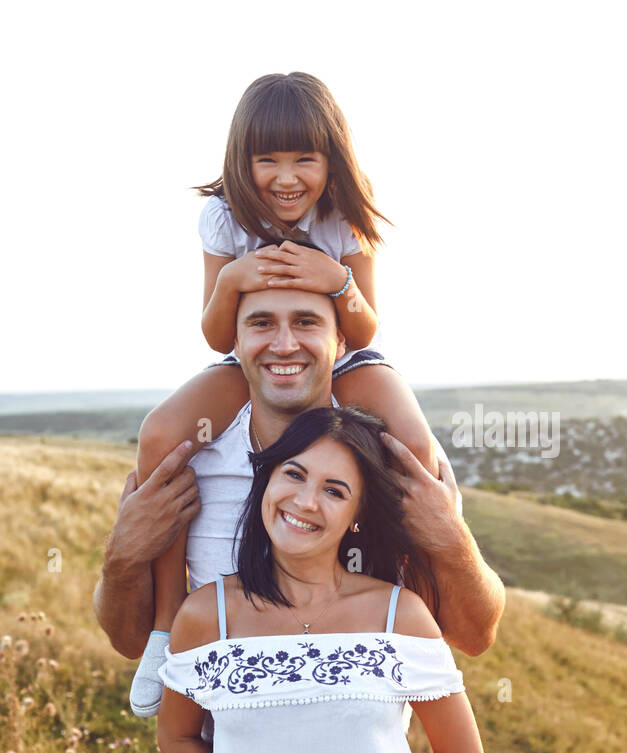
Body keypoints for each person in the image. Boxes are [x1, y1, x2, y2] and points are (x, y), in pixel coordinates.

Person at [93, 277, 504, 753]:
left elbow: (475, 644)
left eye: (307, 323)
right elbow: (137, 661)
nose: (284, 343)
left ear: (343, 342)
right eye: (262, 323)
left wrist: (454, 541)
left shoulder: (384, 463)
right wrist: (122, 555)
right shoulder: (188, 460)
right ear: (233, 342)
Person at [132, 72, 441, 694]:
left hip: (341, 355)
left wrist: (335, 280)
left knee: (413, 444)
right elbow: (218, 336)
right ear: (241, 165)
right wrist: (233, 281)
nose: (286, 176)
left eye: (306, 158)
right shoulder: (223, 219)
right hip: (253, 354)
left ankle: (428, 608)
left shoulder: (346, 218)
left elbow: (366, 327)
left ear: (333, 160)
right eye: (266, 159)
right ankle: (165, 627)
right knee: (162, 433)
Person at [157, 405, 484, 753]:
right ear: (268, 481)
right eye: (294, 474)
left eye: (334, 490)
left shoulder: (399, 615)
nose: (306, 501)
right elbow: (176, 738)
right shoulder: (208, 616)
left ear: (357, 515)